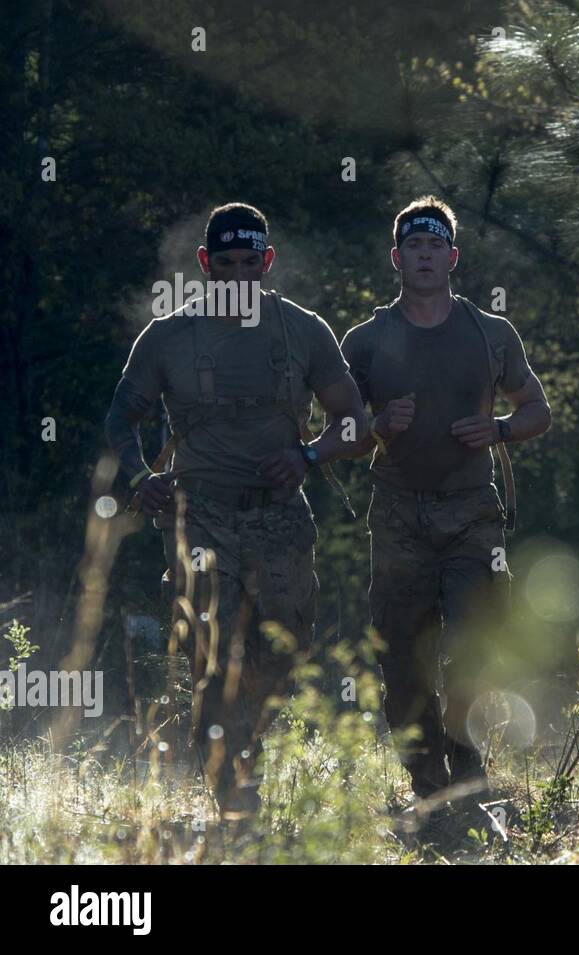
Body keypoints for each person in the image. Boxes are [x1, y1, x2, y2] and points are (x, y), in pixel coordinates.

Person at [104, 202, 366, 821]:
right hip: (201, 518)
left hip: (280, 518)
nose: (240, 274)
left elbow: (356, 421)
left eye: (252, 262)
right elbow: (122, 415)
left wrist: (308, 454)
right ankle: (232, 797)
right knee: (213, 656)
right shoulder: (169, 336)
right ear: (205, 264)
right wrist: (143, 477)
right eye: (227, 263)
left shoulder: (304, 330)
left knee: (279, 656)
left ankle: (250, 759)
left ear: (268, 263)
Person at [338, 195, 551, 807]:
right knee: (402, 657)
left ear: (452, 257)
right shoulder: (367, 339)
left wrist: (502, 429)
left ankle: (470, 774)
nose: (424, 255)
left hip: (471, 515)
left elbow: (537, 409)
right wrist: (377, 425)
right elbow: (333, 434)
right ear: (396, 257)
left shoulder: (489, 332)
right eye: (414, 246)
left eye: (435, 246)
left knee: (472, 643)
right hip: (399, 515)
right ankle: (426, 783)